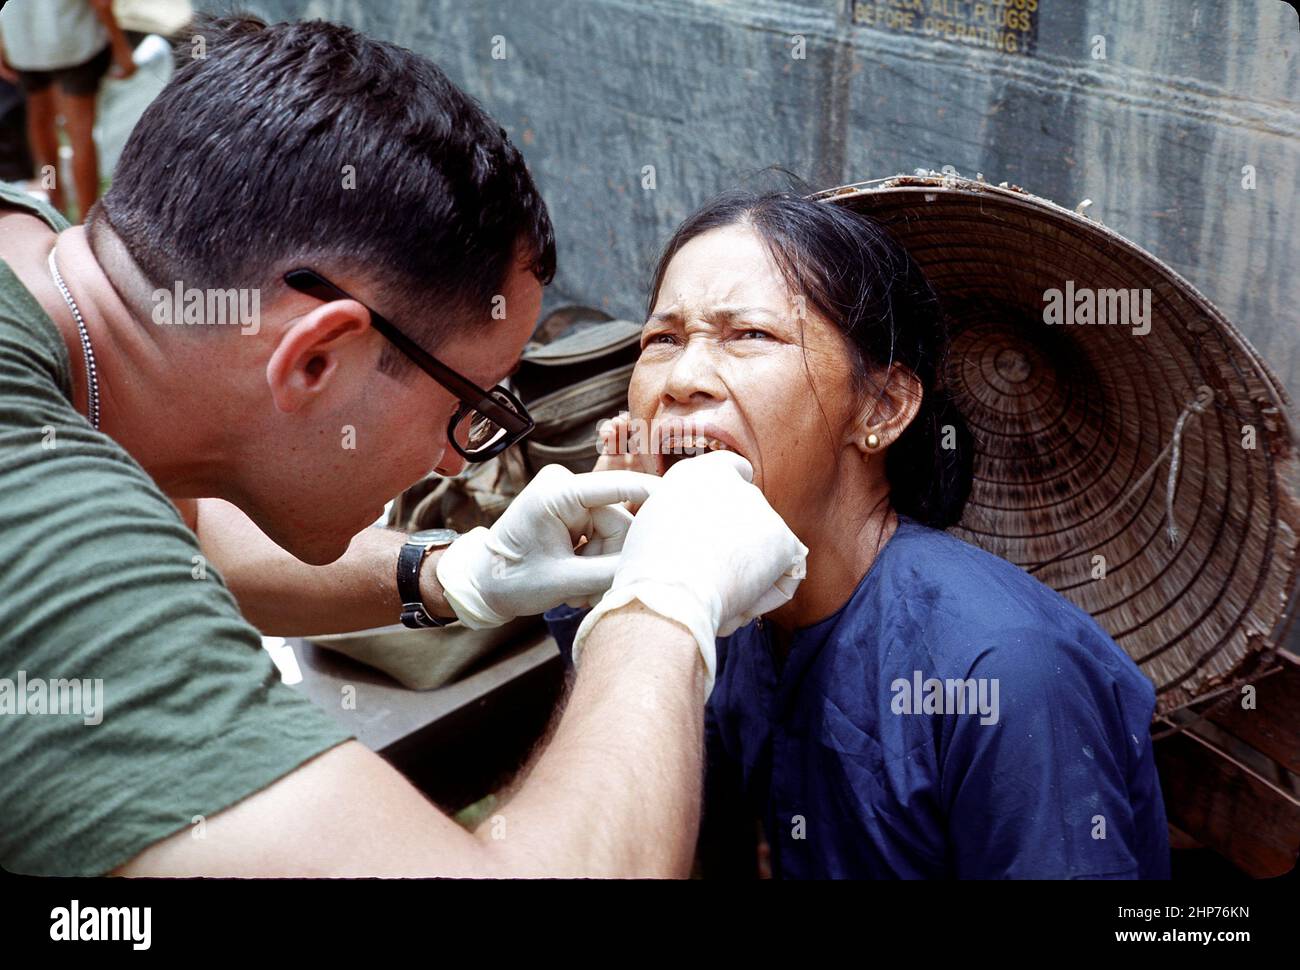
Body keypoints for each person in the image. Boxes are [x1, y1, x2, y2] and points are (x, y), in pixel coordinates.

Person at [0, 16, 806, 877]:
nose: (459, 461)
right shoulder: (35, 508)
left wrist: (453, 573)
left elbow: (184, 538)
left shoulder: (45, 260)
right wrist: (662, 605)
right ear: (316, 357)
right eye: (466, 408)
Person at [550, 190, 1172, 879]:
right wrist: (606, 584)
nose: (684, 378)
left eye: (749, 334)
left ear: (881, 406)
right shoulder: (732, 601)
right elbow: (658, 817)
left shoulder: (1003, 669)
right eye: (662, 339)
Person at [0, 0, 137, 220]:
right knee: (80, 134)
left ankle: (54, 208)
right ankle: (85, 221)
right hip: (72, 40)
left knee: (41, 125)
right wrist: (121, 47)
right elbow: (101, 3)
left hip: (23, 42)